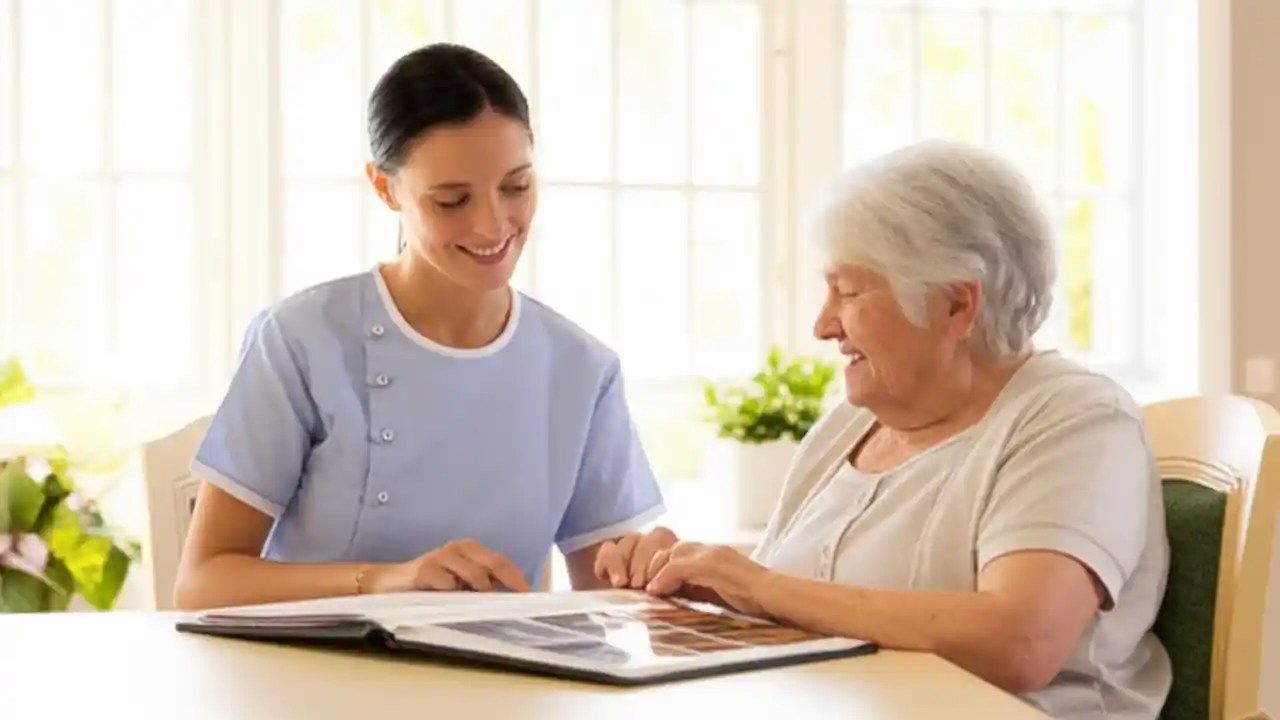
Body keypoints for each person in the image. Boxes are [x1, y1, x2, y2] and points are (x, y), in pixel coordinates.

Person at [598, 141, 1172, 720]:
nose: (823, 325)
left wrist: (759, 587)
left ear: (955, 305)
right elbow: (794, 610)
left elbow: (1021, 641)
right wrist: (705, 582)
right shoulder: (848, 427)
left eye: (847, 293)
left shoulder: (1077, 418)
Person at [173, 43, 668, 610]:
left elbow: (604, 596)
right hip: (315, 682)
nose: (491, 224)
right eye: (451, 200)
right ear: (385, 188)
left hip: (507, 687)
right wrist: (384, 580)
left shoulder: (581, 369)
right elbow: (202, 584)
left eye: (516, 187)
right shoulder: (302, 341)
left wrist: (646, 572)